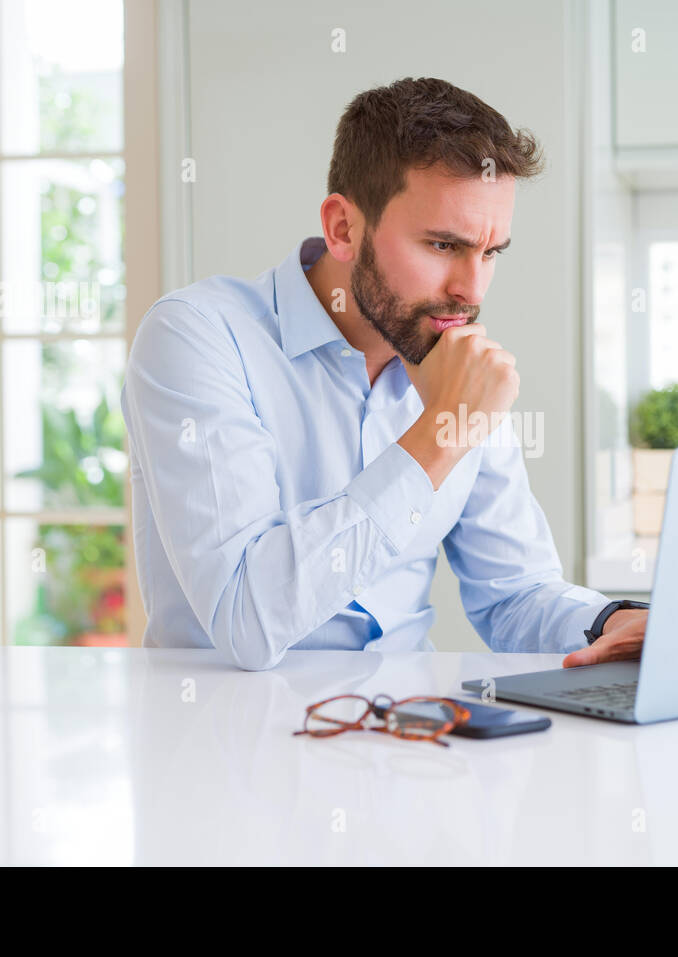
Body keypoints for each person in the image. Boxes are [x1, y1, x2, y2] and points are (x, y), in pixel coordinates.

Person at [121, 77, 647, 670]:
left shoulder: (456, 365)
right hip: (230, 739)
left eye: (491, 252)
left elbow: (515, 596)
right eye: (444, 245)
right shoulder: (197, 337)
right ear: (343, 227)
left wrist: (611, 621)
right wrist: (443, 430)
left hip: (409, 739)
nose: (470, 290)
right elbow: (247, 616)